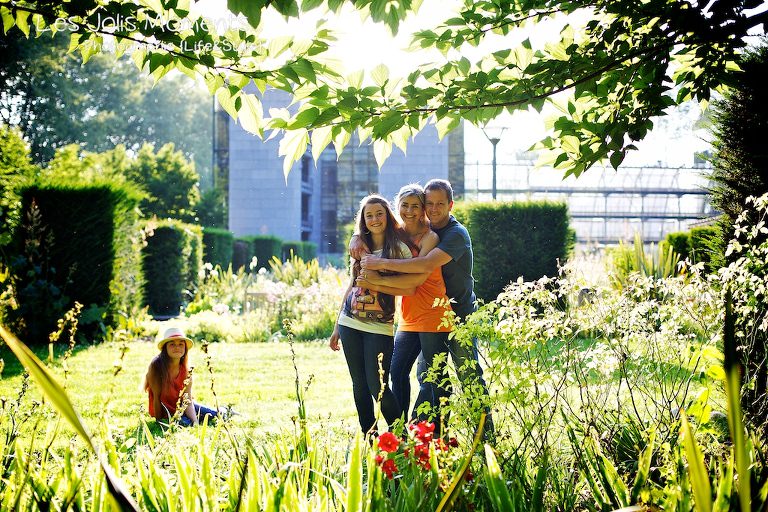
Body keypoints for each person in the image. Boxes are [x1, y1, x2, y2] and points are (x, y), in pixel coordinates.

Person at [352, 179, 494, 436]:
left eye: (440, 203)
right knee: (407, 373)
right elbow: (375, 223)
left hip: (456, 314)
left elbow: (425, 266)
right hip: (414, 316)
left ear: (451, 205)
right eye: (430, 203)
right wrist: (355, 236)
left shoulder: (451, 234)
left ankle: (483, 436)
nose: (434, 208)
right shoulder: (406, 229)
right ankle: (409, 432)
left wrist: (379, 269)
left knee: (466, 377)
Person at [355, 184, 452, 433]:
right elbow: (368, 231)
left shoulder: (430, 237)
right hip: (408, 317)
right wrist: (356, 238)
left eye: (415, 206)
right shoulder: (397, 234)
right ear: (397, 207)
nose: (409, 211)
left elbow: (419, 273)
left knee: (435, 377)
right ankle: (402, 432)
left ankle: (437, 433)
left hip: (433, 314)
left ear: (422, 211)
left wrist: (377, 277)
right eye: (404, 206)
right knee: (396, 373)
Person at [329, 194, 416, 436]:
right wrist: (337, 325)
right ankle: (370, 436)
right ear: (363, 220)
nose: (375, 219)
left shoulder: (399, 249)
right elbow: (351, 286)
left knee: (378, 385)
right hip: (349, 321)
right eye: (369, 215)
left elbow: (408, 288)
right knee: (358, 383)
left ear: (387, 216)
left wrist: (378, 283)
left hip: (379, 326)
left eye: (379, 214)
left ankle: (400, 436)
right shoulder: (358, 248)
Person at [144, 326, 219, 427]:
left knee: (216, 414)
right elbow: (156, 398)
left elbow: (187, 400)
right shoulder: (156, 366)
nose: (177, 347)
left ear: (185, 348)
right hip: (167, 412)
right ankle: (192, 418)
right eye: (172, 344)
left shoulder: (186, 370)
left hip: (182, 406)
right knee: (186, 423)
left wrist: (195, 422)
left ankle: (228, 410)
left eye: (180, 344)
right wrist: (159, 421)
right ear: (165, 348)